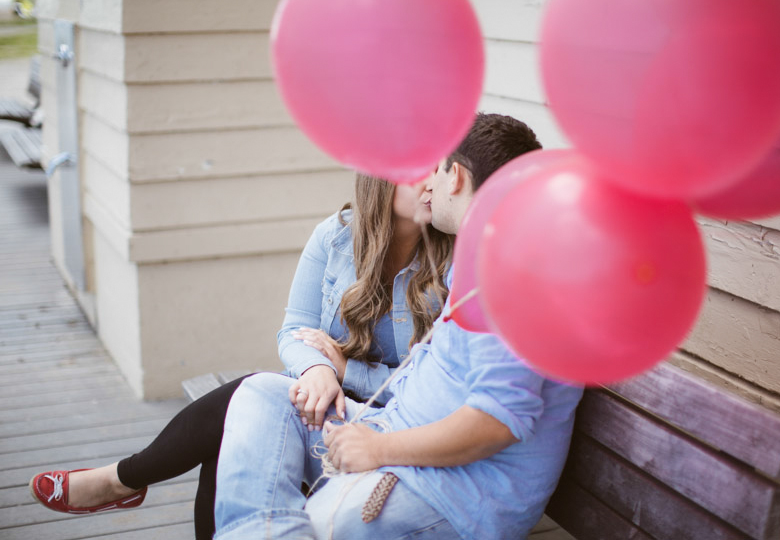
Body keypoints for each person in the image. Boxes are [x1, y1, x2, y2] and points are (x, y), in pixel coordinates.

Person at [213, 113, 584, 539]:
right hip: (391, 434)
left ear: (456, 177)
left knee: (317, 526)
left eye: (436, 169)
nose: (428, 184)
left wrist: (377, 448)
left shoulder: (513, 278)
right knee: (263, 394)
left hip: (446, 491)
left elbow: (498, 421)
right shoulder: (479, 257)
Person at [28, 173, 453, 540]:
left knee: (241, 408)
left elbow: (426, 384)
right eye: (418, 168)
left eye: (439, 168)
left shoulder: (450, 259)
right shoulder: (335, 236)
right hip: (320, 395)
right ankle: (124, 480)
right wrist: (318, 366)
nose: (432, 181)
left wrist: (345, 369)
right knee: (236, 427)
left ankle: (123, 479)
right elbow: (294, 330)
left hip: (387, 421)